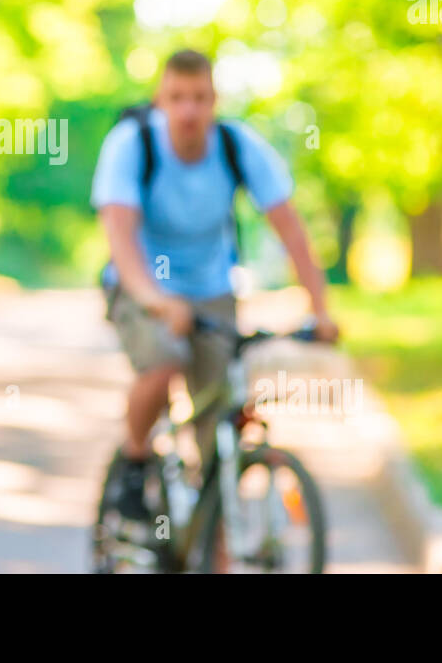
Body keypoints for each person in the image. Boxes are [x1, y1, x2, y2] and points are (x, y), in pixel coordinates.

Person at [90, 48, 339, 528]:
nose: (188, 110)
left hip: (211, 290)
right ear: (159, 100)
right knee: (163, 363)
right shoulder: (132, 144)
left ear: (214, 102)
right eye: (176, 98)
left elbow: (291, 230)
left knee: (218, 434)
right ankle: (134, 461)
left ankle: (212, 549)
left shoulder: (237, 146)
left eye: (199, 98)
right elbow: (120, 238)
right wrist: (157, 300)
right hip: (142, 285)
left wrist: (320, 310)